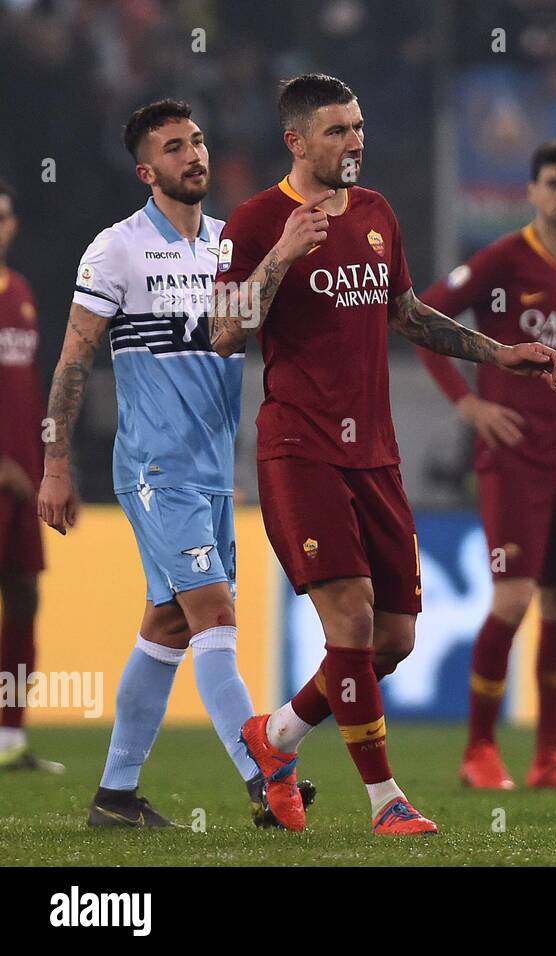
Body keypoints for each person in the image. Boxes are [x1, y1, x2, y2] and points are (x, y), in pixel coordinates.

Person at [211, 74, 556, 836]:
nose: (356, 142)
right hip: (298, 448)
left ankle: (275, 739)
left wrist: (499, 355)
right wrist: (278, 257)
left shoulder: (376, 214)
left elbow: (405, 311)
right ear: (296, 141)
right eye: (337, 131)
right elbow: (223, 332)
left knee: (394, 639)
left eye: (359, 126)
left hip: (375, 452)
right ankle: (386, 801)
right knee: (354, 620)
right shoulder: (256, 219)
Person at [38, 100, 300, 827]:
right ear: (147, 171)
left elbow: (250, 332)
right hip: (156, 469)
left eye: (199, 141)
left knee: (170, 626)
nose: (194, 155)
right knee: (215, 614)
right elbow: (72, 361)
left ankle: (115, 798)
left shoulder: (230, 245)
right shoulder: (115, 248)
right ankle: (264, 776)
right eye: (175, 148)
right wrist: (56, 464)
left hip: (213, 470)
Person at [418, 141, 556, 791]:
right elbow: (423, 318)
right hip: (513, 459)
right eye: (552, 182)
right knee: (514, 598)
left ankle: (549, 758)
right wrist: (468, 404)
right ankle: (479, 751)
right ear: (532, 191)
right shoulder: (504, 259)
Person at [0, 178, 62, 774]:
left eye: (5, 215)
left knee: (24, 596)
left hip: (24, 480)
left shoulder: (19, 291)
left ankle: (8, 738)